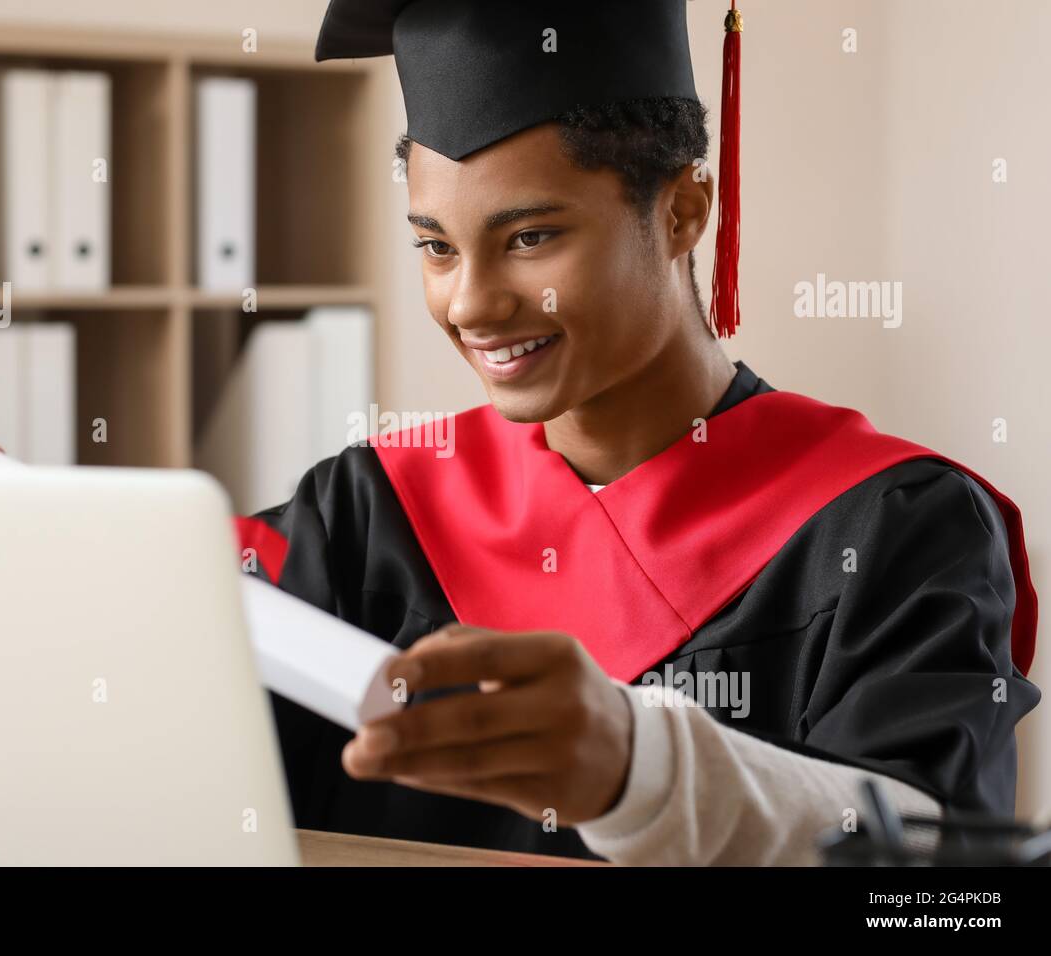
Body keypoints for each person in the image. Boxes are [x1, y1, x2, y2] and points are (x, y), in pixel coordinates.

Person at [232, 0, 1040, 864]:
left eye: (531, 237)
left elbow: (937, 883)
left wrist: (641, 767)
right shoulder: (360, 514)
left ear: (684, 213)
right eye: (436, 248)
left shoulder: (896, 527)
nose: (469, 303)